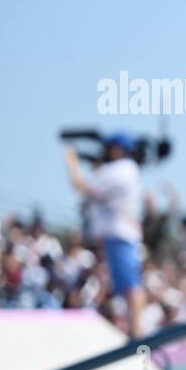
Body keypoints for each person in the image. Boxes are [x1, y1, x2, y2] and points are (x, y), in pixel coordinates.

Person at [63, 131, 145, 337]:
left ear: (117, 150)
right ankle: (133, 329)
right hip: (118, 236)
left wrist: (71, 163)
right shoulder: (126, 170)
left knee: (131, 287)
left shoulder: (121, 170)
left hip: (120, 236)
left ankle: (136, 332)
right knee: (125, 287)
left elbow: (81, 186)